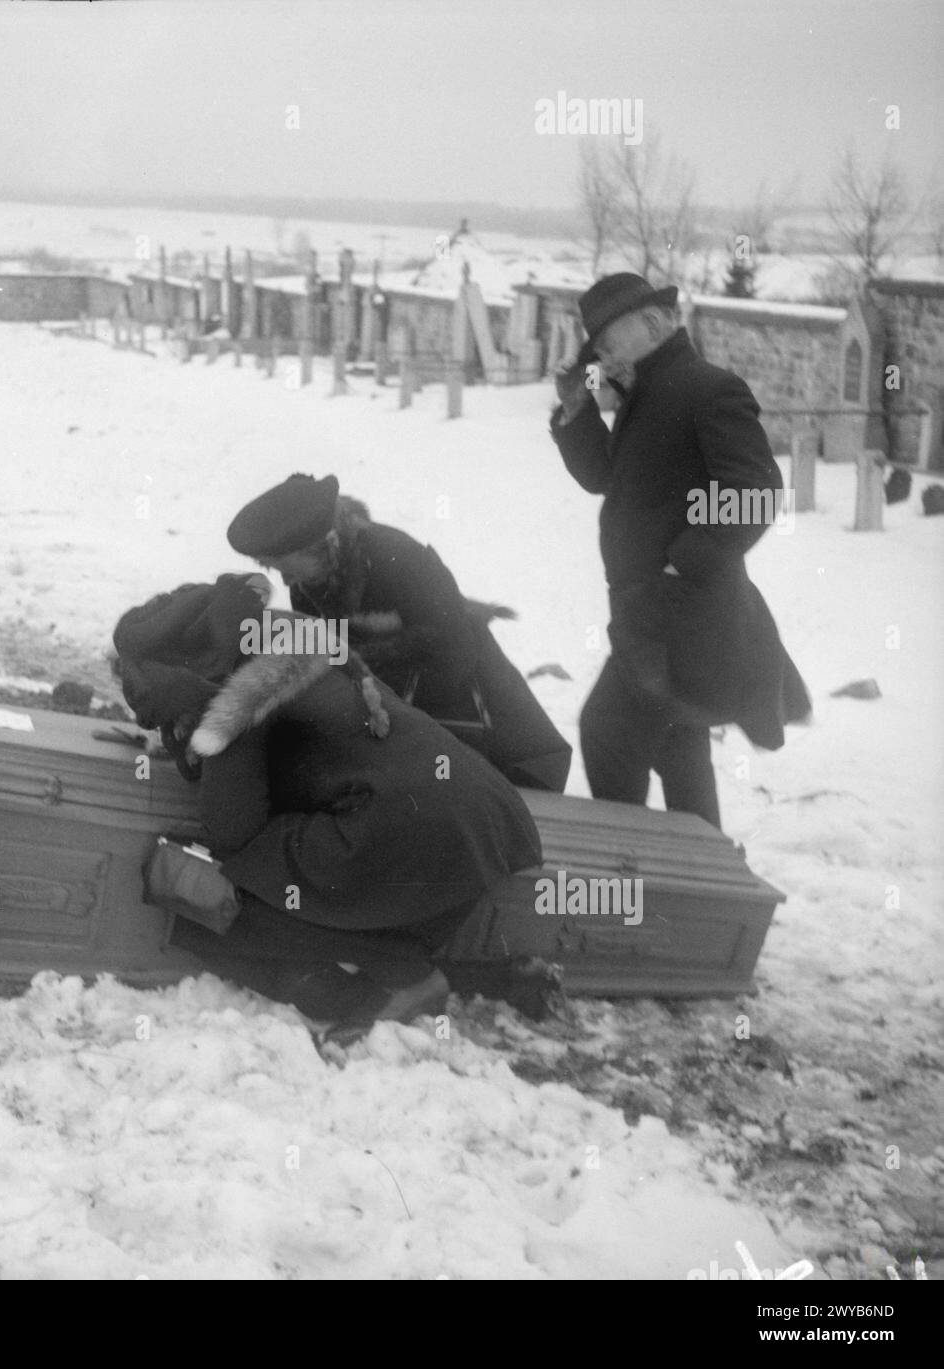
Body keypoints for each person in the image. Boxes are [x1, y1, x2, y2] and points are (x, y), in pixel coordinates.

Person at [112, 572, 547, 1039]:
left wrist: (199, 752)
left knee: (198, 897)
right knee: (332, 916)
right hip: (487, 820)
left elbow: (232, 832)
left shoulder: (235, 696)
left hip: (396, 834)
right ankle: (479, 978)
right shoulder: (293, 636)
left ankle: (395, 984)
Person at [550, 271, 810, 828]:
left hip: (684, 617)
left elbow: (756, 491)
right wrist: (577, 410)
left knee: (607, 732)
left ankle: (631, 861)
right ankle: (702, 860)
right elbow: (604, 477)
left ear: (652, 323)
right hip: (652, 612)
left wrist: (682, 560)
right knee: (677, 747)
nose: (603, 357)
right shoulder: (646, 393)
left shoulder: (708, 388)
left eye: (608, 343)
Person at [226, 474, 572, 792]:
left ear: (318, 546)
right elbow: (328, 651)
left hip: (459, 691)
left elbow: (453, 650)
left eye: (283, 566)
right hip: (385, 696)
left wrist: (381, 696)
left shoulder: (400, 558)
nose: (284, 580)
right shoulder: (307, 582)